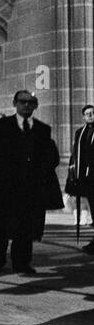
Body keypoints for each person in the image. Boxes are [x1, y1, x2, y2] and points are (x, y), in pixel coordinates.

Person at [0, 90, 60, 274]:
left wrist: (39, 178)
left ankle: (22, 262)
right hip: (5, 186)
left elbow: (49, 157)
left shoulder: (42, 129)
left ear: (35, 106)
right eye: (22, 101)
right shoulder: (1, 126)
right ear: (15, 103)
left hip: (29, 188)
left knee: (25, 227)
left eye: (30, 102)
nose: (26, 105)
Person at [68, 104, 94, 252]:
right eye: (86, 114)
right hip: (86, 177)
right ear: (83, 117)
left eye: (92, 113)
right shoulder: (80, 132)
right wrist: (73, 171)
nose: (90, 115)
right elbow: (75, 153)